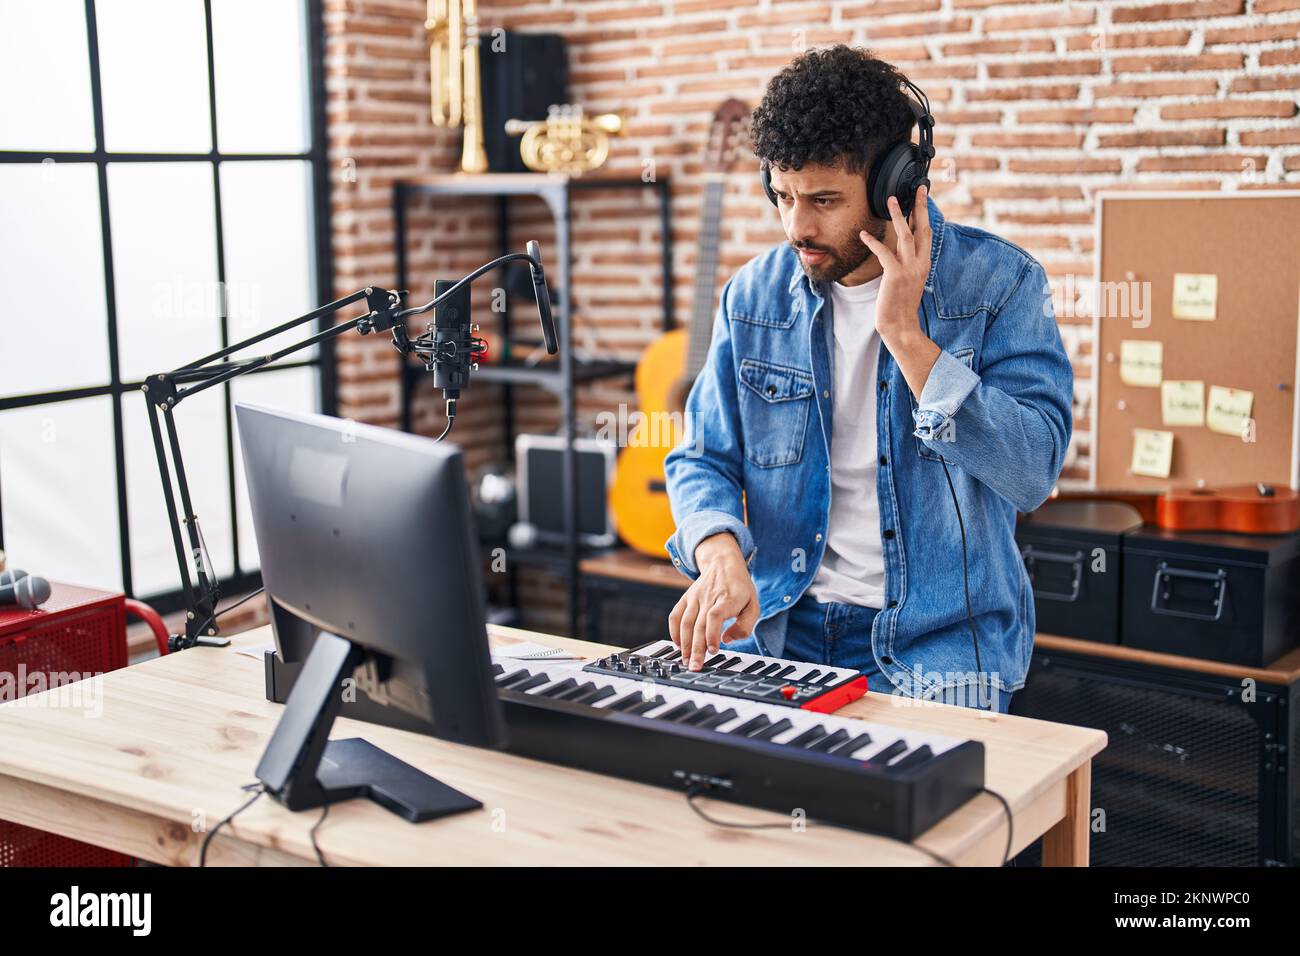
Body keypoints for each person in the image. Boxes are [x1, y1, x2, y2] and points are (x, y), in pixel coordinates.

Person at [663, 46, 1073, 713]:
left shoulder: (1001, 285)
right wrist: (717, 552)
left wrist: (907, 338)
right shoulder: (753, 297)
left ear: (896, 184)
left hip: (938, 647)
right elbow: (701, 456)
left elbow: (1033, 473)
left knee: (917, 811)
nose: (797, 225)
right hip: (775, 628)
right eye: (784, 196)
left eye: (823, 200)